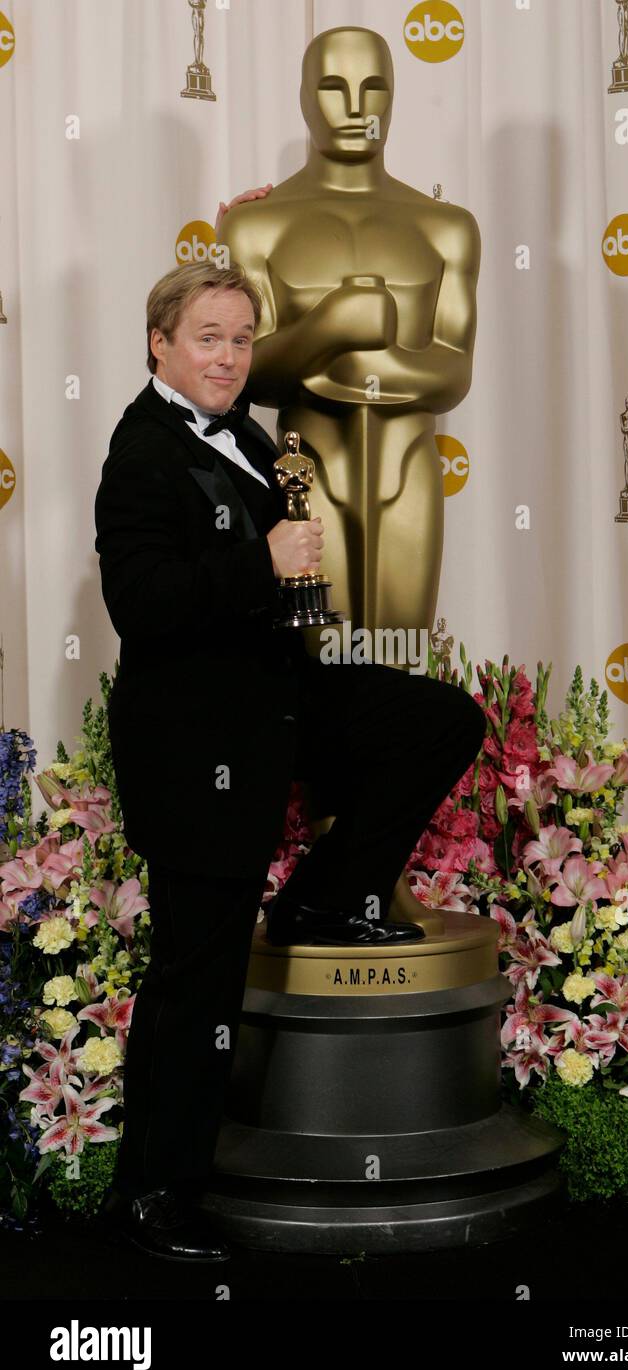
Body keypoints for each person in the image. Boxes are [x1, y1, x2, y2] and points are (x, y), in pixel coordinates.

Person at [93, 259, 485, 1261]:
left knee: (438, 720)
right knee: (196, 981)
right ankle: (154, 1196)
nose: (228, 356)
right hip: (196, 744)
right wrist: (259, 562)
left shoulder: (245, 436)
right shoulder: (138, 453)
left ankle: (320, 894)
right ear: (160, 345)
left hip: (275, 704)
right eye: (208, 338)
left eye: (239, 338)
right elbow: (145, 604)